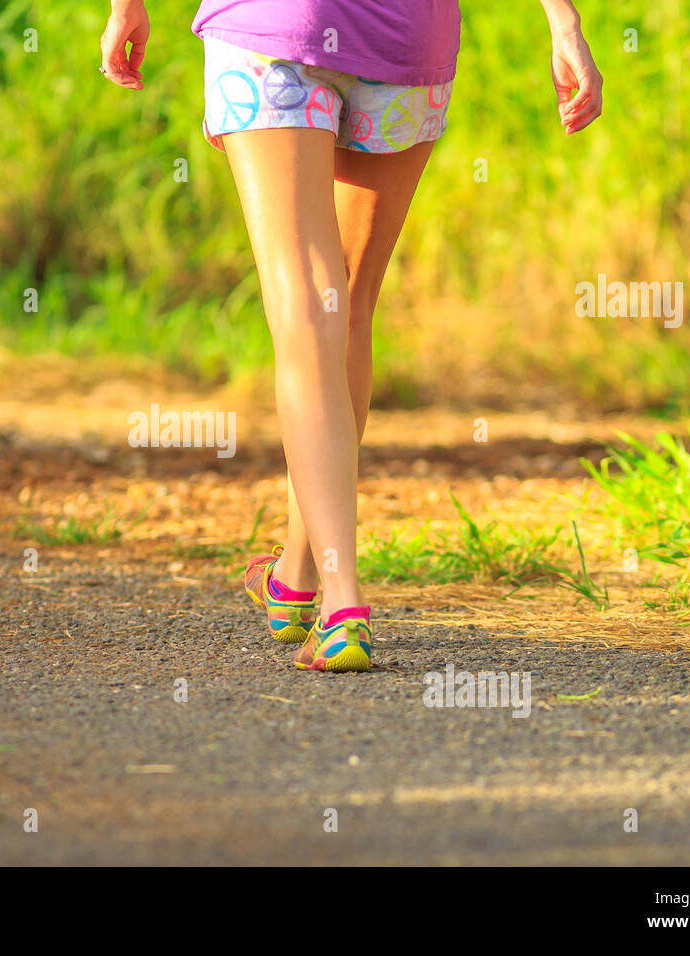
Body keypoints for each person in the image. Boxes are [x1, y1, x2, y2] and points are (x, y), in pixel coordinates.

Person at [99, 1, 603, 671]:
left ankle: (343, 605)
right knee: (349, 304)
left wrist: (126, 7)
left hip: (275, 31)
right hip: (405, 41)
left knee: (307, 304)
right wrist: (562, 23)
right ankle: (297, 578)